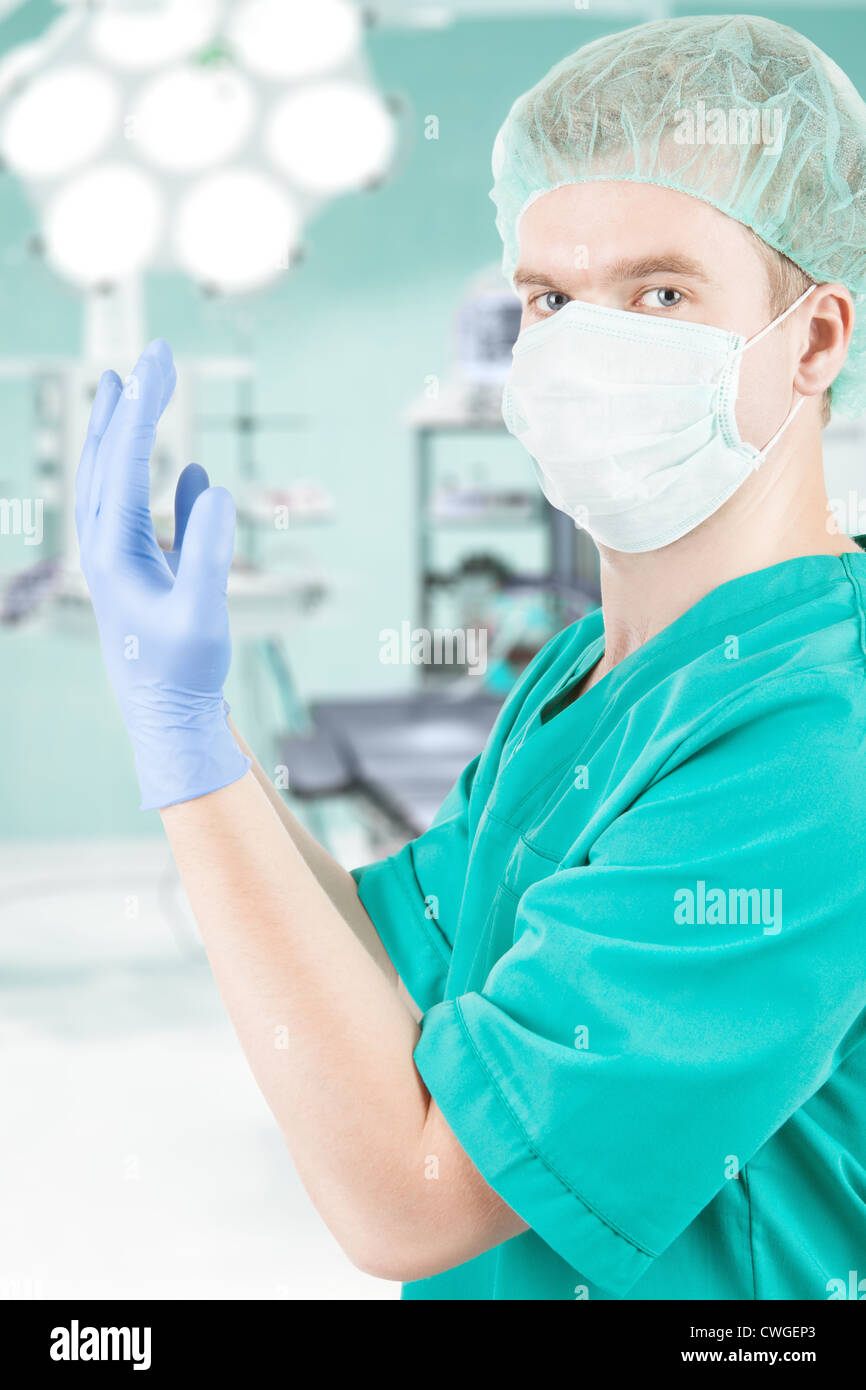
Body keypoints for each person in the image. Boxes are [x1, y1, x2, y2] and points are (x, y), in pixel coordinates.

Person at [76, 14, 866, 1300]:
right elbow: (386, 969)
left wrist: (184, 763)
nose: (586, 346)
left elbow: (412, 1197)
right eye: (549, 297)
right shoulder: (581, 676)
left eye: (660, 293)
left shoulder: (818, 739)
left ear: (816, 339)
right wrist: (192, 719)